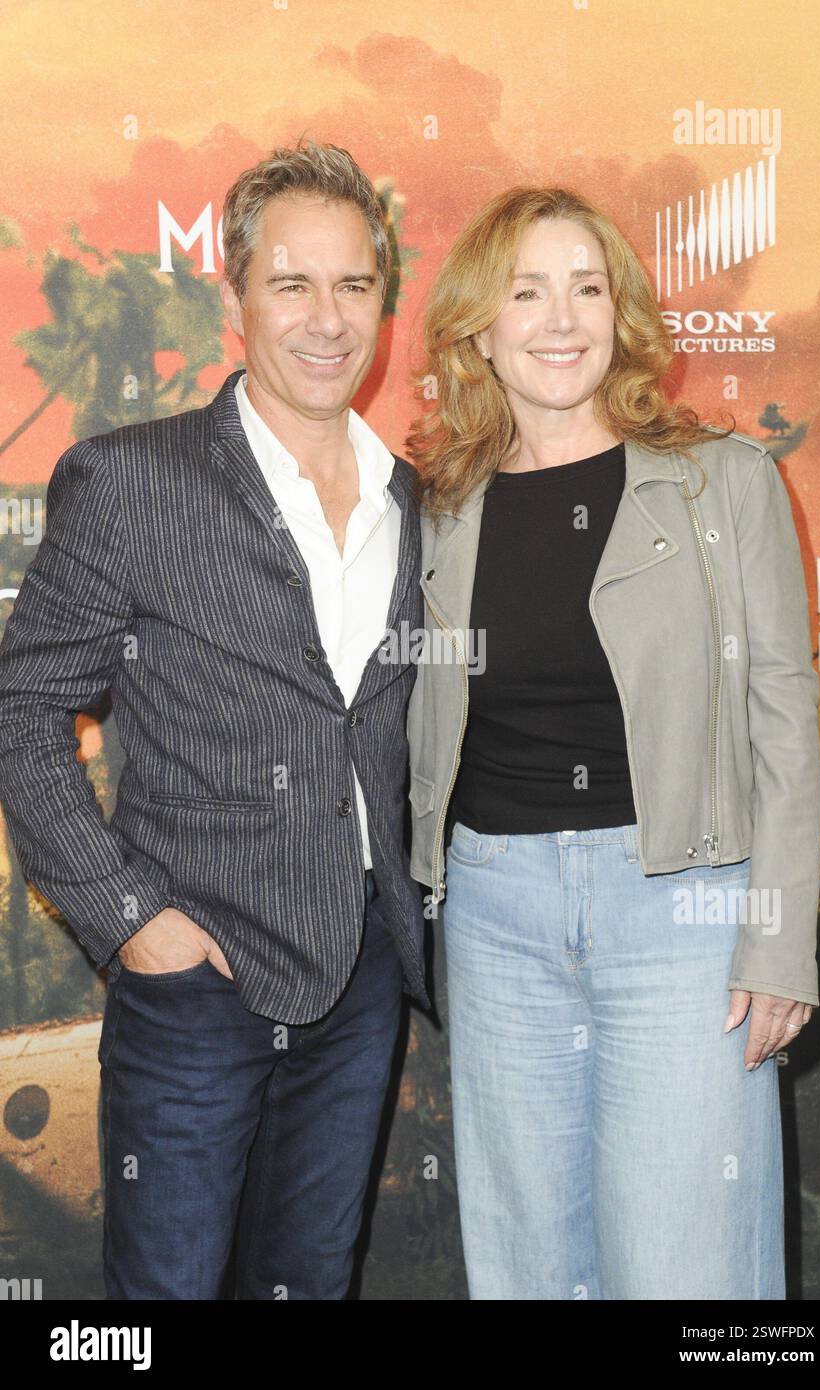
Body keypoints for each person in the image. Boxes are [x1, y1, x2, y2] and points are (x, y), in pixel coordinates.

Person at [0, 137, 430, 1300]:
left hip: (361, 980)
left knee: (310, 1283)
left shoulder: (415, 502)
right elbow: (25, 709)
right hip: (197, 985)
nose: (326, 317)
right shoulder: (134, 480)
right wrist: (134, 918)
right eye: (292, 282)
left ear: (385, 300)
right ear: (235, 294)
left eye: (355, 283)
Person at [405, 186, 820, 1300]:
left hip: (682, 911)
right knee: (530, 1266)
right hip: (496, 916)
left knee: (691, 1269)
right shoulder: (441, 502)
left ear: (622, 312)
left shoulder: (722, 480)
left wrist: (779, 940)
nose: (559, 318)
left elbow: (787, 714)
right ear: (478, 328)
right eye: (525, 290)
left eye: (586, 287)